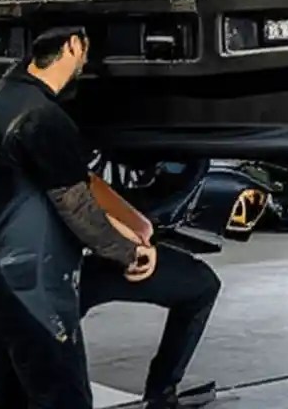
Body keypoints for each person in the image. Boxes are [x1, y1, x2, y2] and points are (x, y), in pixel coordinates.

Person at [0, 26, 157, 409]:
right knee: (65, 399)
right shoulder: (42, 117)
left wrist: (130, 226)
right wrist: (128, 253)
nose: (85, 62)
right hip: (30, 286)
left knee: (8, 400)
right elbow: (77, 207)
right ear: (72, 45)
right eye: (86, 51)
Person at [80, 171, 222, 409]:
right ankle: (161, 393)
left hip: (19, 270)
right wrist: (129, 248)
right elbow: (74, 199)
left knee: (21, 338)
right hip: (66, 267)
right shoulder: (48, 142)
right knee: (202, 287)